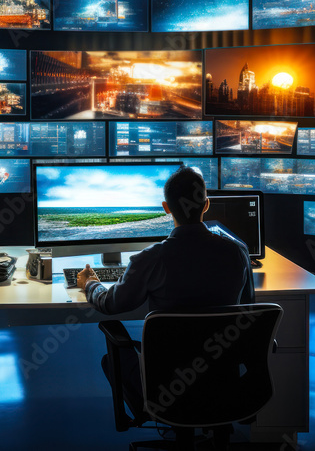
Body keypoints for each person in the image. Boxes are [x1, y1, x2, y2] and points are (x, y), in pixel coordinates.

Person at [74, 166, 255, 419]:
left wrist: (90, 283)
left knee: (112, 358)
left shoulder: (151, 258)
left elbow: (111, 304)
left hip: (167, 388)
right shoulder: (238, 252)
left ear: (166, 207)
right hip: (223, 381)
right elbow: (247, 309)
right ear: (206, 205)